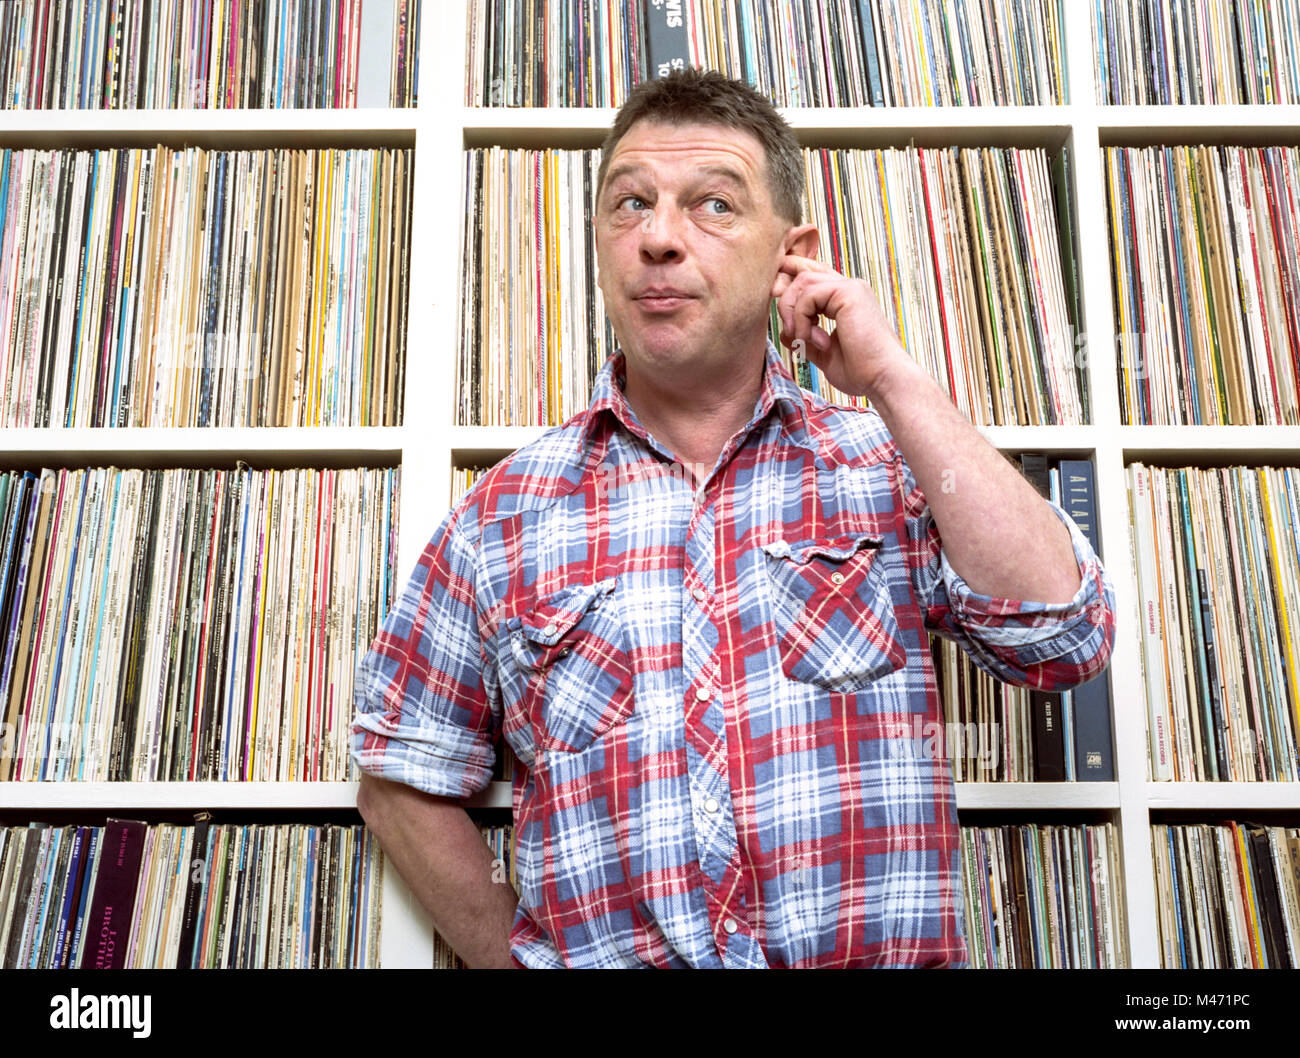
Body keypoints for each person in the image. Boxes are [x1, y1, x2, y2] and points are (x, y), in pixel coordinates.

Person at [351, 68, 1115, 968]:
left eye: (712, 205)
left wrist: (891, 379)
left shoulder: (886, 469)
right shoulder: (500, 519)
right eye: (629, 204)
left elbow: (1063, 636)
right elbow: (400, 774)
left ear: (793, 254)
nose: (660, 239)